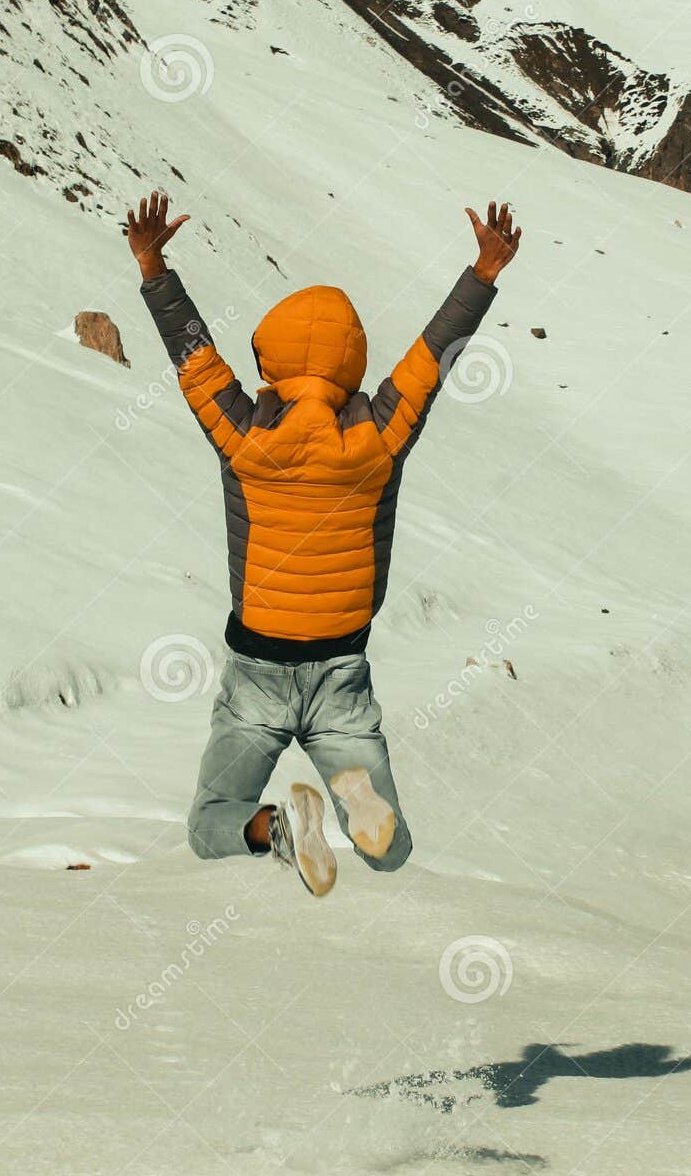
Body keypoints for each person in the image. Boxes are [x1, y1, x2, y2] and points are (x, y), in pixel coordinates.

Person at [129, 190, 522, 896]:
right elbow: (433, 358)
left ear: (272, 359)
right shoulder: (380, 437)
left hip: (257, 669)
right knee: (391, 851)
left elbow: (194, 358)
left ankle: (275, 828)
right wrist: (484, 272)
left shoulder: (243, 438)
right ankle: (359, 805)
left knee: (209, 822)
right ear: (353, 362)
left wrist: (155, 267)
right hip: (341, 673)